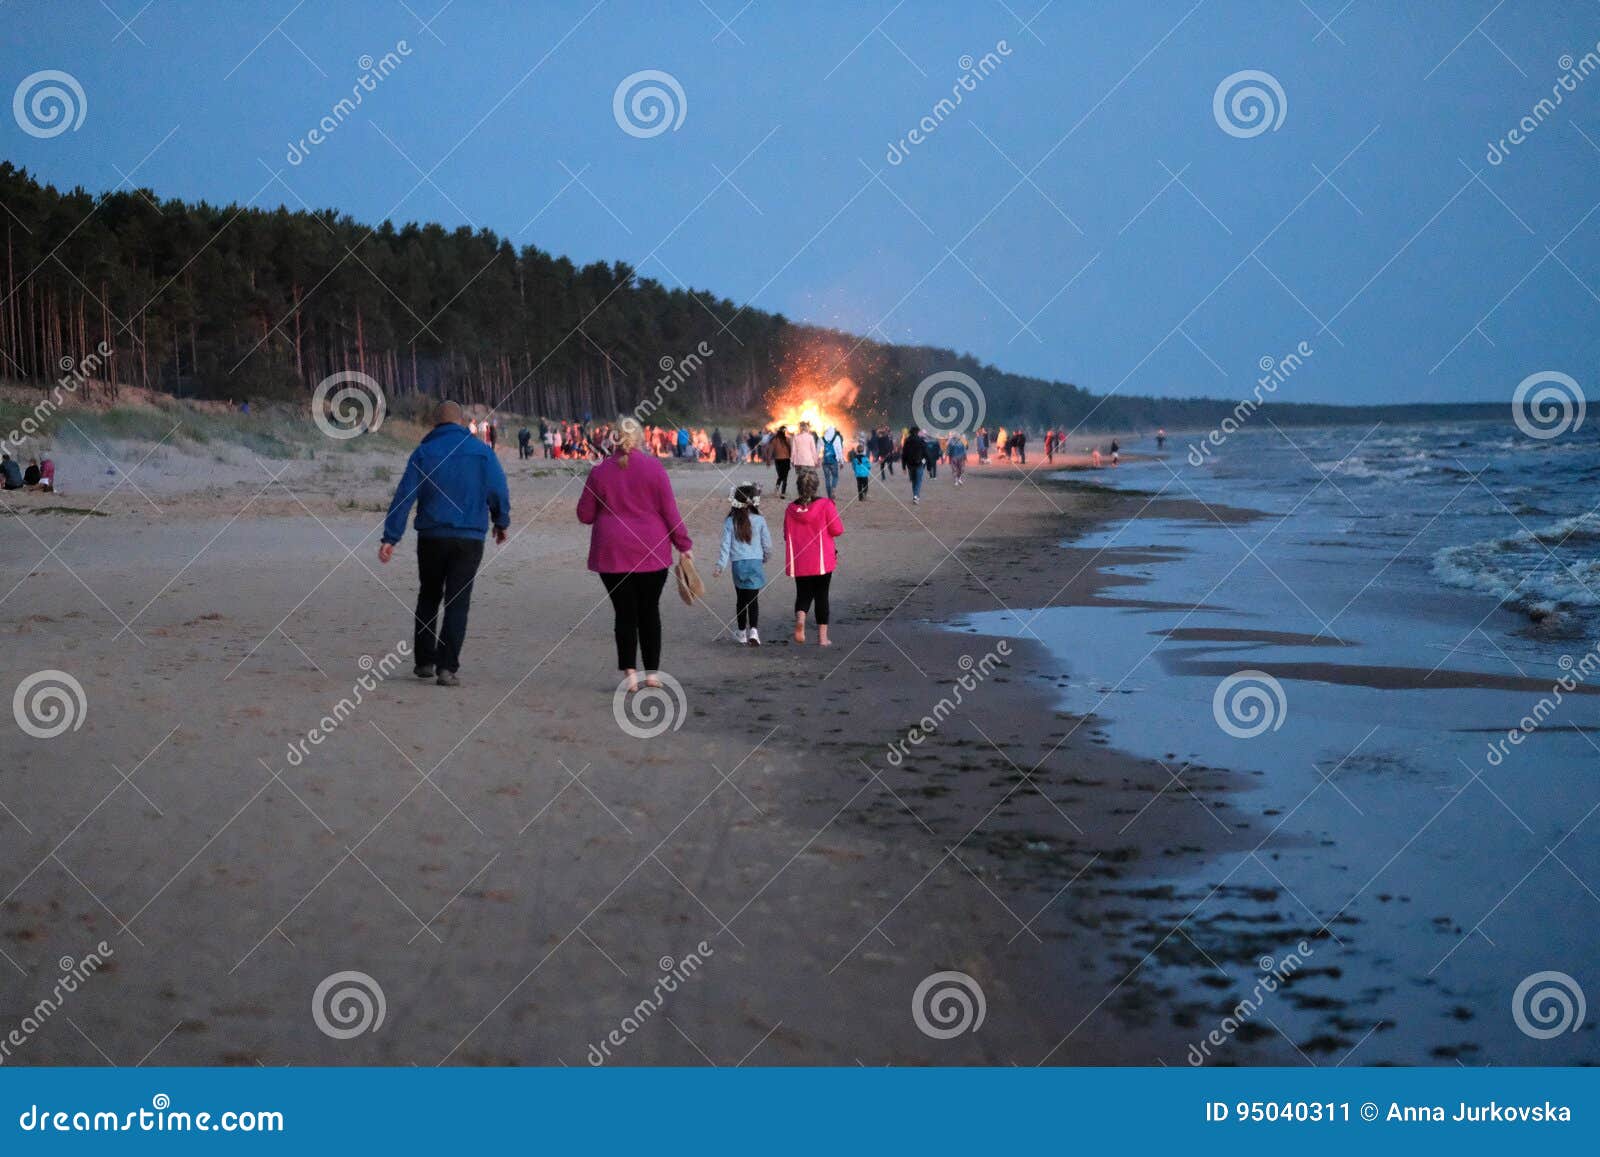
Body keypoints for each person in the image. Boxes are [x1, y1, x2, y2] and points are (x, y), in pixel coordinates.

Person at [379, 401, 510, 686]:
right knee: (457, 601)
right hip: (469, 537)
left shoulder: (424, 452)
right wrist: (501, 522)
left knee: (429, 596)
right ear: (462, 422)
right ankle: (446, 668)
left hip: (432, 536)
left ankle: (425, 661)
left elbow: (404, 495)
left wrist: (391, 536)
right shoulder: (481, 453)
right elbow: (498, 489)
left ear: (435, 424)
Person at [576, 421, 693, 693]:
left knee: (624, 613)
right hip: (652, 549)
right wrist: (683, 544)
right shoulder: (654, 468)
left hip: (613, 551)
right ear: (640, 439)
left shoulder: (600, 471)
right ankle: (652, 673)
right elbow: (670, 512)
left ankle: (630, 673)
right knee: (649, 611)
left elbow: (585, 515)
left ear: (613, 438)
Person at [784, 471, 843, 647]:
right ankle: (822, 638)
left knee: (803, 594)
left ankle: (801, 618)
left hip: (801, 560)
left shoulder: (790, 509)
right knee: (821, 596)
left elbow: (786, 535)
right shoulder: (825, 505)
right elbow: (837, 529)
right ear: (816, 487)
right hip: (821, 559)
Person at [713, 483, 771, 646]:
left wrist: (720, 567)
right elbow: (768, 544)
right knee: (753, 600)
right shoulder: (760, 520)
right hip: (756, 563)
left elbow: (725, 546)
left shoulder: (730, 521)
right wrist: (765, 557)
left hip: (738, 565)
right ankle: (754, 630)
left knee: (741, 599)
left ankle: (741, 632)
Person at [900, 424, 929, 504]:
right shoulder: (921, 440)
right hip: (919, 463)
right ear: (917, 432)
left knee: (913, 480)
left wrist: (903, 466)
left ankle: (915, 495)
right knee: (918, 480)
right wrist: (928, 465)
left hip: (910, 464)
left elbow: (904, 454)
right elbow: (926, 453)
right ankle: (916, 496)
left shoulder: (907, 441)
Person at [791, 421, 820, 490]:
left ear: (800, 428)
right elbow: (813, 450)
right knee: (811, 479)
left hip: (799, 462)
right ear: (806, 428)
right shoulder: (810, 437)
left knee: (801, 479)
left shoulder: (796, 437)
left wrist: (792, 460)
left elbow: (794, 450)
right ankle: (809, 492)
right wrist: (816, 461)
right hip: (809, 461)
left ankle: (802, 492)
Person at [820, 424, 845, 500]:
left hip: (825, 461)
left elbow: (818, 449)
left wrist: (817, 460)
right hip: (833, 460)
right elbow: (839, 450)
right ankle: (833, 488)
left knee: (827, 478)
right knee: (835, 476)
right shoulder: (836, 437)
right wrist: (841, 461)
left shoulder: (822, 438)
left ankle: (829, 495)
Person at [770, 425, 792, 497]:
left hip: (778, 460)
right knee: (785, 477)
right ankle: (782, 493)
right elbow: (791, 449)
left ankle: (777, 489)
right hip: (786, 459)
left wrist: (768, 459)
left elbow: (771, 450)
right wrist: (792, 458)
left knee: (780, 476)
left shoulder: (775, 440)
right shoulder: (787, 439)